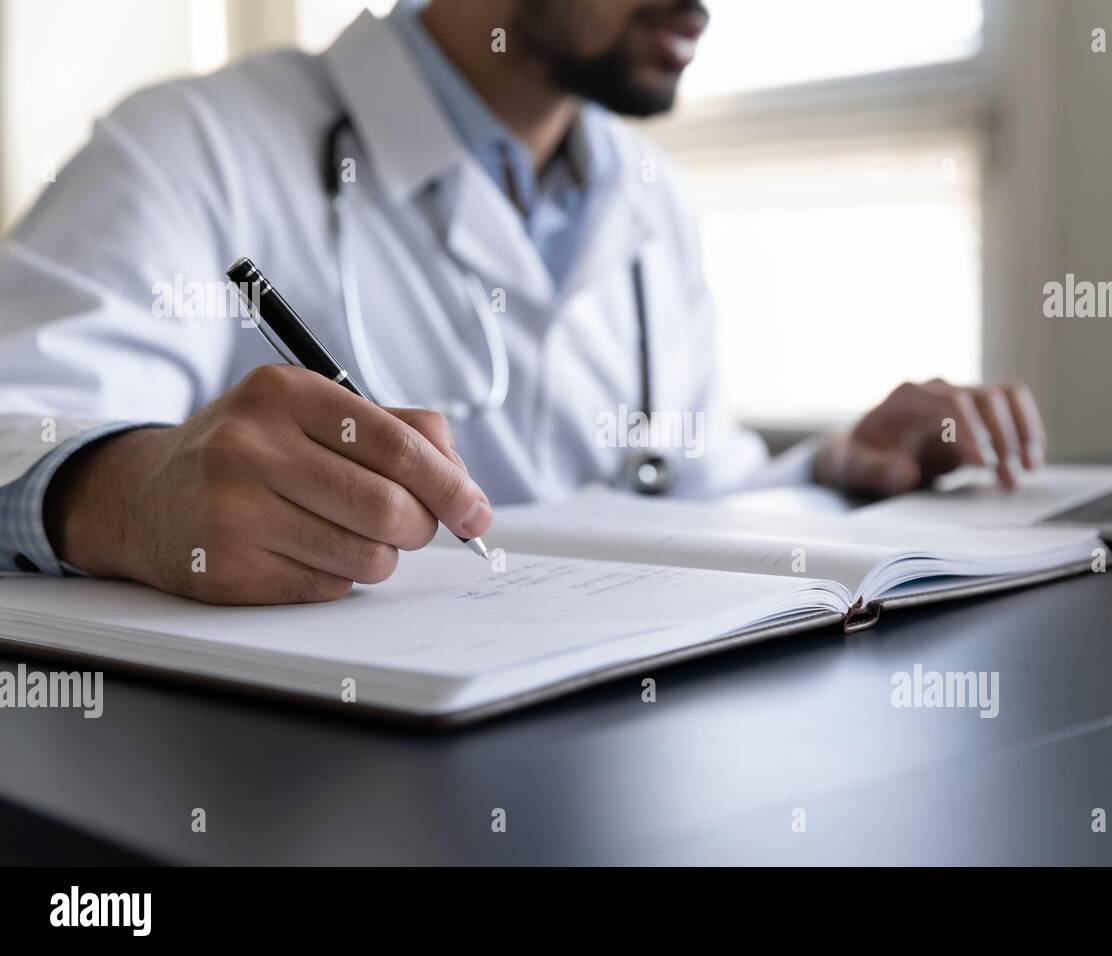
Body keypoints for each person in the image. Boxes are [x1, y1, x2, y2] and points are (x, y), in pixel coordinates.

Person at [0, 0, 1045, 604]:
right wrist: (135, 495)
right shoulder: (187, 146)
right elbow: (17, 423)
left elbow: (682, 489)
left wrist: (834, 466)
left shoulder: (646, 200)